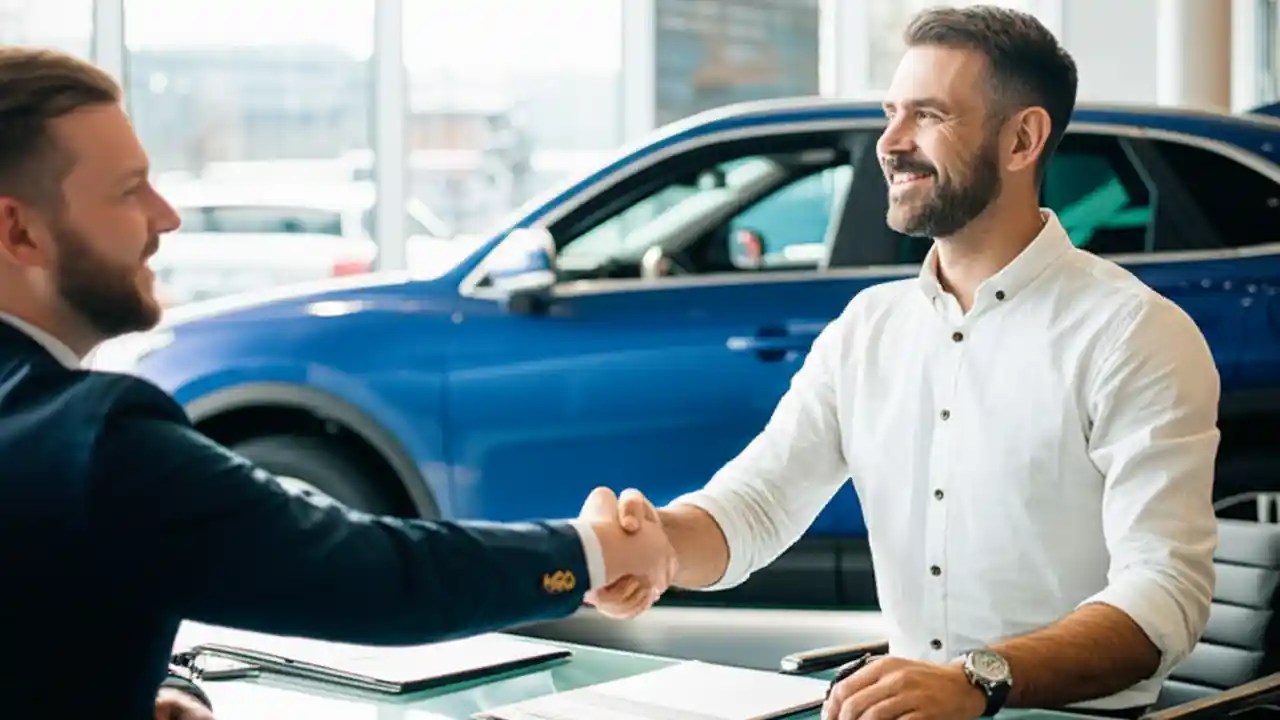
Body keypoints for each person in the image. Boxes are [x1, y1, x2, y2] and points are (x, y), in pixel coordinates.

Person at [0, 47, 676, 720]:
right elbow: (380, 577)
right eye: (129, 190)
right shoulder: (93, 441)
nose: (167, 216)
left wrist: (160, 691)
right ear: (18, 230)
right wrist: (593, 551)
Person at [585, 6, 1219, 720]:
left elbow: (1163, 597)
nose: (889, 143)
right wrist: (659, 545)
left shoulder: (1133, 333)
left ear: (1022, 139)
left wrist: (978, 681)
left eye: (928, 115)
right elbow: (757, 507)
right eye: (892, 113)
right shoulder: (869, 327)